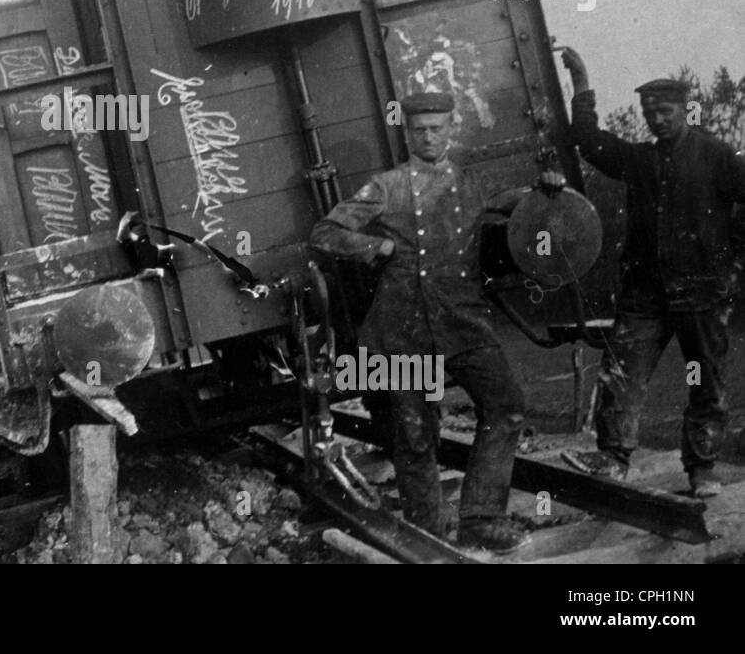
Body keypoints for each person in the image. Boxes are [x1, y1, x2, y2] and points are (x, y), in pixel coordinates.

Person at [309, 92, 565, 553]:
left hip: (460, 320)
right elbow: (324, 233)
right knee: (414, 433)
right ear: (406, 133)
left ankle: (481, 520)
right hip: (402, 328)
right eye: (418, 129)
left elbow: (519, 204)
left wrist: (546, 187)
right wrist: (375, 248)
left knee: (506, 407)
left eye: (436, 127)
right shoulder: (386, 187)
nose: (428, 136)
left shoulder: (472, 183)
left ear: (452, 128)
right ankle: (426, 536)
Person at [559, 50, 745, 497]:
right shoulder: (640, 161)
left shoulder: (716, 156)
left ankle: (701, 472)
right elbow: (589, 140)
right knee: (621, 373)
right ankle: (613, 458)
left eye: (665, 111)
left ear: (685, 109)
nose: (657, 119)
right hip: (646, 295)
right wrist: (581, 83)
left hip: (702, 295)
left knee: (704, 382)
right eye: (649, 113)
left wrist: (732, 260)